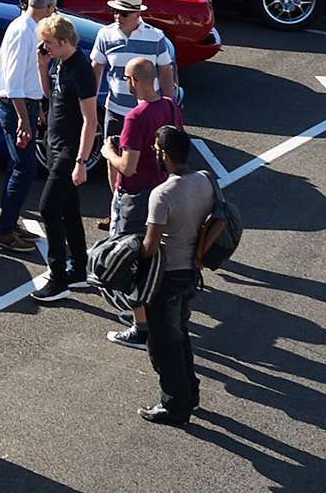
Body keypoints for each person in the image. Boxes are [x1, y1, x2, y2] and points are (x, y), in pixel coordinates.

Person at [135, 124, 216, 426]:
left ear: (166, 155)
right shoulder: (205, 181)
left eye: (157, 151)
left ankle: (175, 406)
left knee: (163, 344)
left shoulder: (162, 194)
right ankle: (189, 393)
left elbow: (150, 246)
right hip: (191, 273)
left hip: (166, 278)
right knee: (180, 336)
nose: (155, 155)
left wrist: (128, 255)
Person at [99, 55, 184, 320]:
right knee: (154, 255)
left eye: (126, 78)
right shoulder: (170, 107)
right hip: (162, 192)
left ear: (134, 81)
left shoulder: (135, 118)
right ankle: (155, 307)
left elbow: (128, 167)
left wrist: (108, 152)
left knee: (128, 258)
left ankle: (138, 320)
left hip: (135, 198)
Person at [31, 14, 99, 302]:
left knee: (48, 209)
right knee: (69, 211)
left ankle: (58, 278)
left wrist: (81, 162)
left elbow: (91, 120)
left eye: (48, 43)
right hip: (54, 145)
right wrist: (42, 66)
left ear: (63, 41)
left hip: (68, 152)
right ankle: (80, 270)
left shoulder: (81, 70)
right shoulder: (60, 62)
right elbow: (50, 95)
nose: (44, 47)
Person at [0, 0, 55, 253]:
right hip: (17, 109)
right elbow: (14, 83)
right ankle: (4, 231)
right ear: (47, 7)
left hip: (25, 105)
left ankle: (10, 222)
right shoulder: (24, 32)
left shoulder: (27, 28)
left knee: (18, 167)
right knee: (24, 169)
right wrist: (24, 121)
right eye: (53, 8)